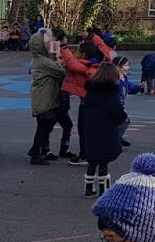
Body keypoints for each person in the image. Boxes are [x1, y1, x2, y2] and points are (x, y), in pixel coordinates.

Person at [59, 30, 114, 165]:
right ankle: (89, 154)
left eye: (77, 51)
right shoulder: (100, 63)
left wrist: (64, 47)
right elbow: (104, 49)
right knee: (89, 131)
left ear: (83, 54)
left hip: (88, 104)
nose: (75, 54)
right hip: (94, 103)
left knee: (84, 131)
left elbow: (72, 64)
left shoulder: (86, 67)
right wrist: (92, 37)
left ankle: (85, 155)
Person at [79, 62, 129, 197]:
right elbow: (118, 114)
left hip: (91, 130)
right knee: (103, 162)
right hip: (107, 131)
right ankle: (104, 190)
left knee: (92, 160)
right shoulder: (110, 94)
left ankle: (89, 188)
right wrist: (123, 115)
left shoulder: (90, 92)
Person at [28, 28, 68, 165]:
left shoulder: (39, 59)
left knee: (45, 127)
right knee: (43, 127)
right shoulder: (44, 62)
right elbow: (61, 72)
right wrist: (56, 55)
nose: (49, 44)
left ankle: (39, 150)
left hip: (44, 98)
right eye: (47, 42)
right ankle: (36, 154)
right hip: (44, 99)